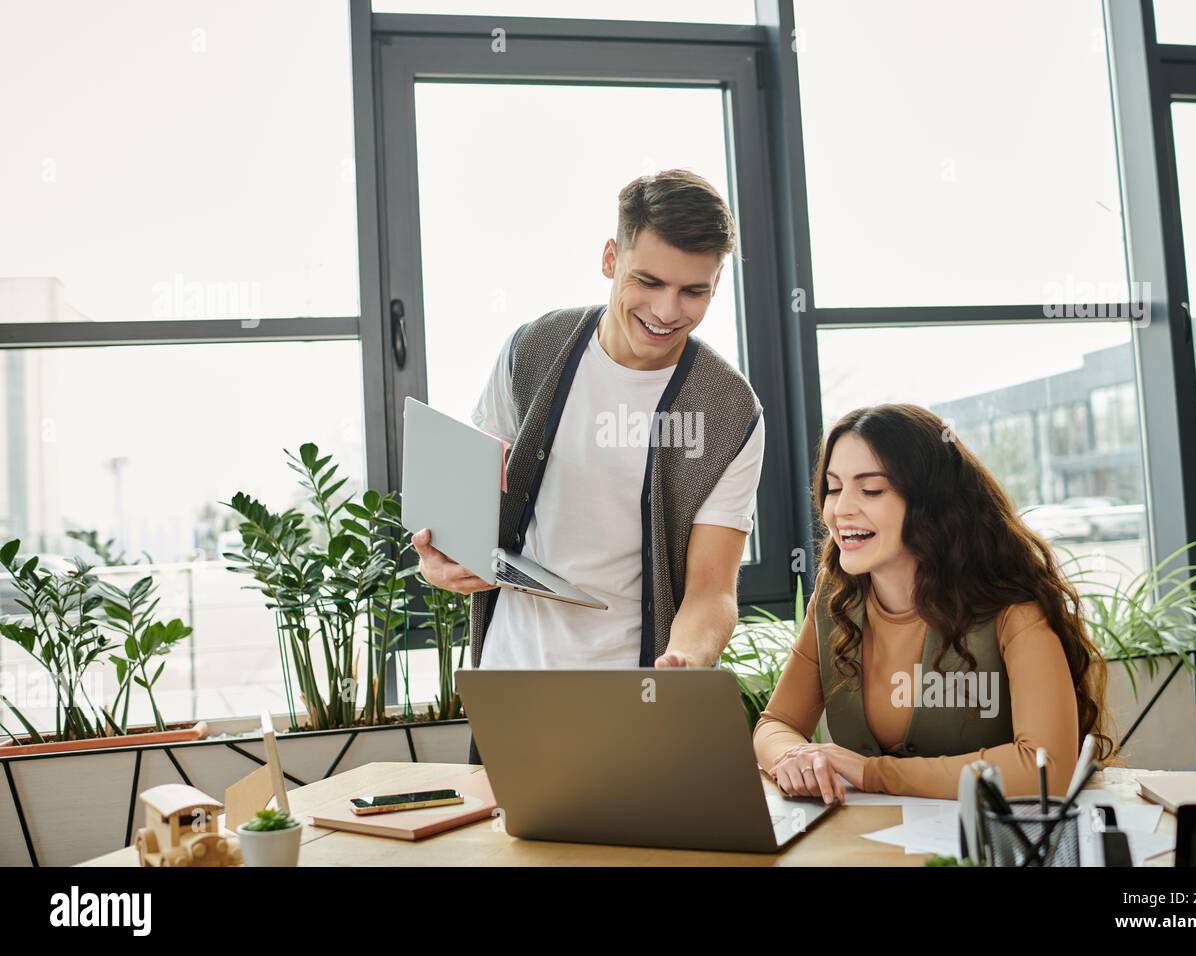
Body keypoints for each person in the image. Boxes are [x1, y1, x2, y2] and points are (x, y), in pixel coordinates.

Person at [411, 169, 765, 764]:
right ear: (610, 257)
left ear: (717, 282)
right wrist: (439, 562)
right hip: (511, 683)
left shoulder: (729, 410)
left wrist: (687, 660)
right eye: (647, 282)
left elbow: (712, 590)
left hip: (635, 697)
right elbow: (466, 514)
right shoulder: (532, 351)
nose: (666, 311)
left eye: (693, 292)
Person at [754, 404, 1114, 804]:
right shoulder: (834, 595)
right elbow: (777, 723)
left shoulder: (1011, 606)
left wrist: (875, 773)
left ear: (932, 504)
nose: (840, 510)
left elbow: (1046, 767)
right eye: (834, 488)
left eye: (871, 490)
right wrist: (793, 757)